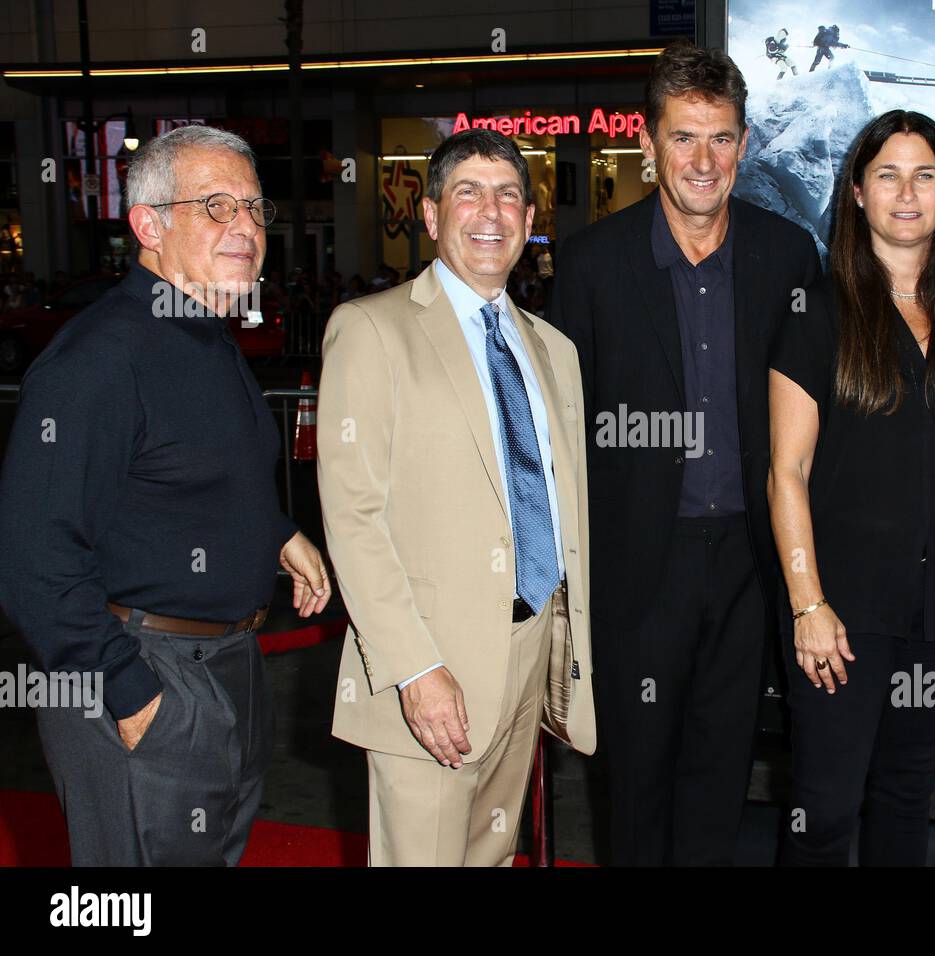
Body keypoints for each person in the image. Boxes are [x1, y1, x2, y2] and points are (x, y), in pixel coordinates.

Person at [0, 124, 332, 866]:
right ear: (148, 224)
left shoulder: (206, 335)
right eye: (216, 207)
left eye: (253, 207)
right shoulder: (98, 359)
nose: (246, 227)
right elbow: (31, 550)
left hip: (231, 666)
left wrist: (276, 531)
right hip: (144, 670)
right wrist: (128, 691)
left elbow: (184, 471)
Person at [548, 40, 821, 866]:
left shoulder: (786, 257)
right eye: (683, 138)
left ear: (743, 143)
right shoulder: (593, 263)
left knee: (721, 771)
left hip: (747, 562)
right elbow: (562, 430)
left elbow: (811, 428)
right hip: (637, 565)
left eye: (722, 138)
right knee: (635, 780)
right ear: (648, 142)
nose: (704, 160)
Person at [317, 128, 595, 867]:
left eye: (509, 195)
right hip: (431, 665)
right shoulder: (371, 330)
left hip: (529, 653)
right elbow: (354, 517)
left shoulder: (553, 351)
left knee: (493, 858)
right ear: (433, 215)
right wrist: (414, 668)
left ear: (531, 221)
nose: (491, 211)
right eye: (468, 192)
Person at [769, 110, 935, 866]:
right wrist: (808, 605)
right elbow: (787, 472)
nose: (907, 193)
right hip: (841, 616)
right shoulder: (817, 311)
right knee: (825, 807)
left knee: (908, 796)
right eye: (887, 174)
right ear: (857, 193)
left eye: (925, 174)